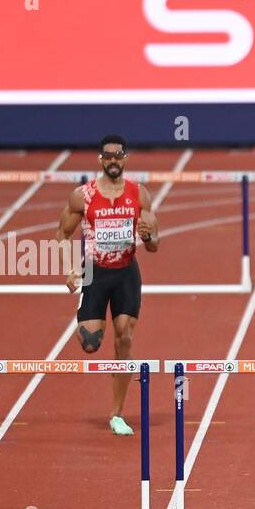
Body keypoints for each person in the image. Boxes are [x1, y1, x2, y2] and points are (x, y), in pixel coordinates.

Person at [55, 134, 158, 436]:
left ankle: (116, 413)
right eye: (108, 156)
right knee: (89, 344)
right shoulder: (82, 196)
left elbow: (154, 245)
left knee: (124, 336)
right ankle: (84, 308)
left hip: (126, 272)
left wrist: (149, 236)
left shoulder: (139, 194)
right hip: (94, 273)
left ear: (126, 158)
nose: (113, 161)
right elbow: (62, 234)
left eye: (118, 156)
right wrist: (69, 269)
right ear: (101, 159)